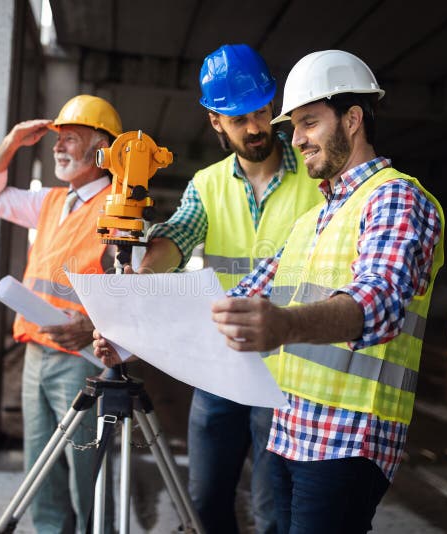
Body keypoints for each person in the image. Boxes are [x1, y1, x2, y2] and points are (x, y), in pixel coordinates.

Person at [208, 50, 445, 533]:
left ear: (353, 119)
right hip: (291, 431)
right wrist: (128, 335)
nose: (294, 140)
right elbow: (235, 304)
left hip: (348, 439)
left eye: (309, 123)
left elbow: (379, 303)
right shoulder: (312, 219)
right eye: (293, 126)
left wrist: (286, 324)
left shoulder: (395, 196)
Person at [97, 44, 322, 534]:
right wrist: (139, 277)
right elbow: (178, 236)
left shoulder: (316, 177)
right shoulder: (207, 184)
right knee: (204, 503)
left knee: (273, 509)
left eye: (262, 111)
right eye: (239, 119)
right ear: (215, 121)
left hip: (289, 371)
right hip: (220, 367)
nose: (256, 127)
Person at [0, 94, 120, 534]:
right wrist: (13, 141)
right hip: (36, 356)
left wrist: (93, 326)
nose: (58, 147)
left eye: (70, 139)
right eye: (57, 139)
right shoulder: (52, 202)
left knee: (86, 471)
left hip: (81, 362)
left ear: (102, 150)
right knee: (41, 470)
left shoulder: (118, 205)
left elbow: (135, 286)